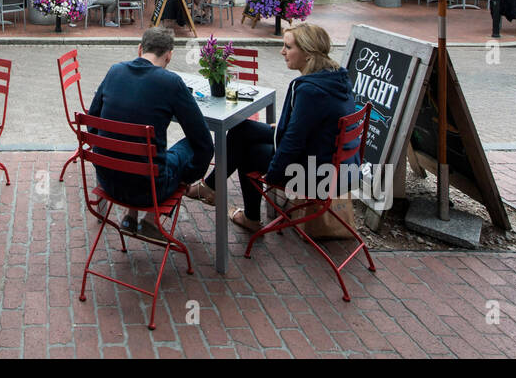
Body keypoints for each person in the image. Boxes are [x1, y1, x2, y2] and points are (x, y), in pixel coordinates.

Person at [186, 23, 358, 231]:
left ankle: (246, 215)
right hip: (342, 167)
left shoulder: (309, 90)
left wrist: (273, 176)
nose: (282, 52)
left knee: (248, 153)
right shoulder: (337, 76)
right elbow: (313, 124)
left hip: (317, 175)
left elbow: (293, 143)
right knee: (241, 129)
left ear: (308, 53)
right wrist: (288, 125)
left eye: (288, 47)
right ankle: (211, 187)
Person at [87, 27, 213, 237]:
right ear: (169, 55)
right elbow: (203, 142)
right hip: (149, 191)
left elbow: (93, 122)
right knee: (189, 145)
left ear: (139, 49)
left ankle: (131, 217)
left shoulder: (114, 71)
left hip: (108, 181)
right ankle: (151, 220)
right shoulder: (171, 83)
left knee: (142, 155)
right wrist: (187, 177)